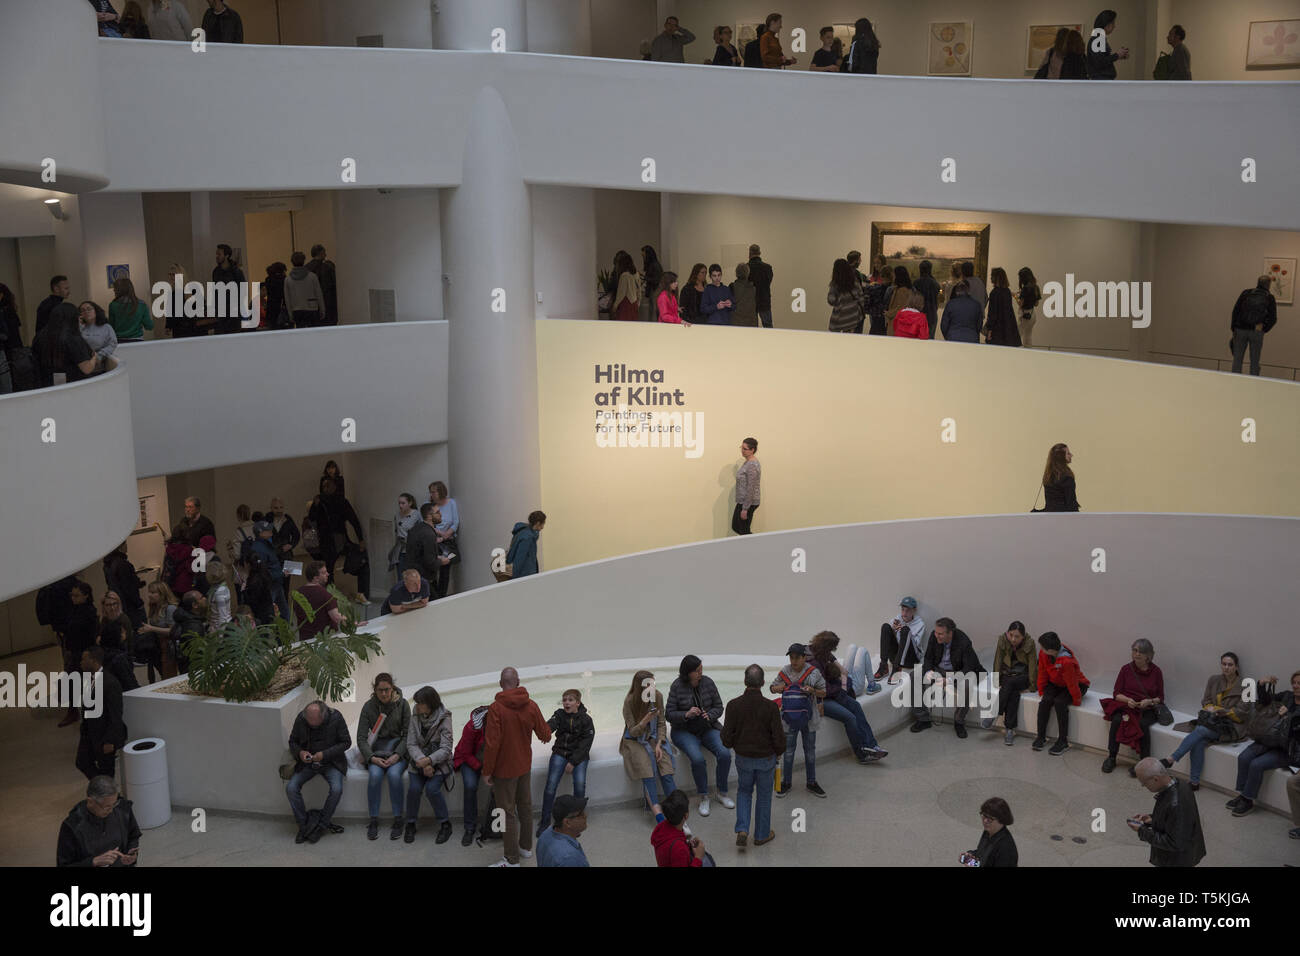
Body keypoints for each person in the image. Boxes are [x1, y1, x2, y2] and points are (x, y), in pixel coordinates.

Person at [483, 667, 552, 867]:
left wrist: (487, 770)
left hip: (504, 771)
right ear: (518, 681)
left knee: (506, 813)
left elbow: (492, 744)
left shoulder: (496, 708)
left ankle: (511, 860)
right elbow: (545, 735)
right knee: (525, 806)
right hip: (524, 765)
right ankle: (526, 848)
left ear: (500, 684)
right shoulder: (531, 705)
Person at [1161, 653, 1249, 790]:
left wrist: (1224, 711)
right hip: (1213, 721)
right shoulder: (1214, 680)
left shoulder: (1246, 685)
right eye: (1224, 664)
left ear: (1236, 667)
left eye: (1230, 665)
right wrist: (1211, 708)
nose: (1226, 667)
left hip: (1231, 726)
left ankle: (1172, 758)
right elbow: (1205, 701)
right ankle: (1194, 782)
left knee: (1200, 730)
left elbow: (1243, 712)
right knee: (1199, 741)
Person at [719, 663, 784, 848]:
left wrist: (735, 745)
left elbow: (726, 737)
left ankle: (742, 829)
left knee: (744, 791)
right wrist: (778, 753)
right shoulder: (771, 707)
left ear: (745, 681)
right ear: (763, 682)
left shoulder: (733, 705)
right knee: (764, 795)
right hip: (766, 759)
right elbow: (778, 737)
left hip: (743, 758)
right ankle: (761, 834)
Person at [666, 656, 733, 817]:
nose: (700, 673)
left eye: (701, 669)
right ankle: (703, 796)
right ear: (687, 673)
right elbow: (668, 714)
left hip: (708, 728)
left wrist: (709, 715)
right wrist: (687, 714)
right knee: (697, 759)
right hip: (684, 731)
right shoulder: (677, 686)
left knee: (725, 753)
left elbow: (719, 706)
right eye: (697, 671)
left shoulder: (708, 682)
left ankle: (722, 793)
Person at [1226, 671, 1299, 817]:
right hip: (1269, 739)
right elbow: (1266, 701)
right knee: (1244, 757)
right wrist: (1261, 684)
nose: (1296, 686)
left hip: (1287, 748)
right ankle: (1242, 793)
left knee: (1257, 764)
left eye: (1299, 683)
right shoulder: (1288, 696)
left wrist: (1288, 716)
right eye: (1294, 683)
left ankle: (1248, 800)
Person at [809, 630, 887, 762]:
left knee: (855, 706)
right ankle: (861, 753)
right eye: (832, 648)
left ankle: (872, 745)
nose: (833, 651)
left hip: (833, 692)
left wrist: (840, 672)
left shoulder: (817, 651)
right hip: (820, 699)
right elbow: (825, 690)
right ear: (826, 647)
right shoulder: (814, 664)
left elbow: (830, 658)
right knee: (849, 717)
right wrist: (842, 687)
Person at [286, 700, 351, 844]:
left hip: (332, 762)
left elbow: (346, 742)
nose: (313, 725)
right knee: (291, 788)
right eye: (309, 722)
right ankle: (304, 827)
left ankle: (321, 826)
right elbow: (292, 742)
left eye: (316, 722)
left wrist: (325, 754)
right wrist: (300, 752)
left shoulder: (336, 717)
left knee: (336, 789)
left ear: (324, 715)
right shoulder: (301, 718)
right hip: (308, 763)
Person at [1101, 639, 1165, 776]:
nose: (1136, 654)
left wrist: (1149, 701)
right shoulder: (1126, 669)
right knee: (1118, 720)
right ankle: (1111, 757)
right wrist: (1128, 700)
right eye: (1134, 650)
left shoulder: (1156, 672)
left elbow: (1161, 697)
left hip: (1148, 708)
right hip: (1128, 706)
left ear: (1148, 655)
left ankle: (1144, 763)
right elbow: (1116, 693)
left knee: (1142, 724)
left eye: (1141, 652)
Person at [771, 643, 827, 798]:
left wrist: (813, 691)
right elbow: (771, 688)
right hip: (789, 719)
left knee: (810, 752)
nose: (793, 661)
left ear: (804, 658)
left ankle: (811, 782)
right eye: (791, 658)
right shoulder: (784, 671)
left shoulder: (814, 673)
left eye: (797, 658)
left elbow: (824, 692)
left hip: (809, 719)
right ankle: (786, 782)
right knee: (788, 752)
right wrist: (778, 688)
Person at [913, 617, 985, 737]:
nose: (936, 636)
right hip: (939, 669)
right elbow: (928, 657)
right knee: (914, 676)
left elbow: (969, 667)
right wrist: (928, 672)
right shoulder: (934, 636)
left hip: (957, 671)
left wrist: (950, 680)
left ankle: (959, 721)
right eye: (936, 632)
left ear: (950, 633)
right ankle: (923, 718)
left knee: (967, 684)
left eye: (940, 634)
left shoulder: (963, 641)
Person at [620, 670, 676, 821]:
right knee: (647, 772)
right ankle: (658, 815)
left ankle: (676, 811)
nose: (652, 687)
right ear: (640, 687)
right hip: (635, 741)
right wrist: (645, 720)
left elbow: (661, 723)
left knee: (666, 770)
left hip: (654, 738)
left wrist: (659, 743)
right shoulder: (629, 701)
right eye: (648, 685)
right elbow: (632, 731)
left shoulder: (657, 696)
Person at [538, 689, 595, 837]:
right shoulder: (559, 714)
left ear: (577, 702)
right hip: (560, 752)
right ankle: (544, 822)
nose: (566, 703)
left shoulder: (586, 720)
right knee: (550, 785)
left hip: (579, 755)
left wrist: (573, 762)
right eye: (564, 700)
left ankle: (577, 820)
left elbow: (585, 745)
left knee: (579, 784)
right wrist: (545, 732)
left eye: (570, 700)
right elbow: (550, 725)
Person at [1130, 758, 1206, 867]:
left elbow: (1173, 842)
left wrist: (1141, 830)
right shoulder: (1181, 784)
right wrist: (1153, 819)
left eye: (1144, 783)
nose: (1144, 787)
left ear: (1155, 779)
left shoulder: (1175, 803)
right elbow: (1177, 821)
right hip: (1186, 853)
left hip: (1175, 861)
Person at [404, 685, 454, 846]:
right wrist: (423, 762)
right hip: (418, 762)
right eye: (417, 703)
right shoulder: (415, 716)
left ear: (430, 704)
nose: (417, 706)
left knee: (432, 789)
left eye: (420, 703)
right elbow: (411, 743)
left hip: (439, 764)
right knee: (414, 789)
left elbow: (446, 748)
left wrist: (430, 761)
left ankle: (445, 824)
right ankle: (410, 824)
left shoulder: (444, 717)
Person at [57, 776, 141, 867]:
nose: (111, 810)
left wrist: (131, 853)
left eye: (114, 804)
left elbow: (133, 836)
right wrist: (93, 862)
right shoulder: (72, 826)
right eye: (107, 807)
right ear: (90, 802)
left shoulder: (121, 808)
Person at [309, 479, 368, 601]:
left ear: (335, 487)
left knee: (360, 560)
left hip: (340, 538)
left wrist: (361, 539)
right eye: (324, 486)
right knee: (328, 568)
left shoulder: (341, 501)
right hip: (326, 540)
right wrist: (315, 505)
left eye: (329, 485)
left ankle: (361, 592)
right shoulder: (319, 502)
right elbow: (311, 518)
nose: (326, 488)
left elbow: (353, 520)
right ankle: (331, 597)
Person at [1033, 631, 1090, 755]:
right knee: (1045, 702)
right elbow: (1042, 672)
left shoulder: (1066, 661)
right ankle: (1041, 737)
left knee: (1060, 703)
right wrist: (1042, 689)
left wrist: (1076, 699)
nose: (1041, 649)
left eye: (1043, 647)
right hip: (1058, 683)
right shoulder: (1044, 653)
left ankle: (1063, 741)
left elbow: (1072, 683)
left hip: (1077, 684)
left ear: (1052, 650)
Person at [981, 622, 1037, 745]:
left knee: (1010, 684)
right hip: (1007, 675)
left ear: (1023, 636)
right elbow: (998, 660)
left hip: (1023, 676)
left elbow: (1033, 666)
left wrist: (1032, 686)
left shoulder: (1030, 643)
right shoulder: (1003, 640)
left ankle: (993, 714)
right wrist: (996, 681)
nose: (1013, 639)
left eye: (1017, 636)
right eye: (1011, 635)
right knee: (1013, 693)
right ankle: (1009, 730)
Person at [76, 647, 126, 780]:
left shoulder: (110, 683)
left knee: (106, 770)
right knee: (82, 762)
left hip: (104, 736)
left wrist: (110, 740)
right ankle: (102, 788)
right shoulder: (87, 679)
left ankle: (106, 793)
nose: (80, 662)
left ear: (93, 661)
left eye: (83, 659)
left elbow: (115, 714)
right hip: (89, 733)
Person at [34, 304, 115, 386]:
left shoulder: (40, 335)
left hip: (46, 383)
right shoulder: (72, 338)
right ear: (73, 318)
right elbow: (87, 368)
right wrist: (94, 357)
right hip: (73, 383)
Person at [452, 704, 490, 846]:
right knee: (470, 786)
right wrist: (481, 768)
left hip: (489, 761)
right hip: (468, 759)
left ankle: (496, 826)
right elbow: (466, 753)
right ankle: (469, 827)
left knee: (502, 786)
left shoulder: (500, 724)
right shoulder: (471, 727)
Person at [1230, 276, 1278, 376]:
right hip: (1256, 331)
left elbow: (1236, 310)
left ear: (1258, 282)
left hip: (1240, 329)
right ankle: (1254, 384)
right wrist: (1264, 329)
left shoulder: (1246, 293)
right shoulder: (1269, 297)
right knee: (1255, 361)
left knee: (1237, 360)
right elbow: (1273, 318)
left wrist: (1233, 328)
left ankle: (1234, 382)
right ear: (1268, 284)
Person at [652, 789, 708, 866]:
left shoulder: (661, 827)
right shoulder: (679, 849)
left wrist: (688, 845)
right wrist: (698, 857)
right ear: (686, 815)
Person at [877, 596, 926, 684]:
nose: (904, 613)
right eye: (903, 610)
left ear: (914, 610)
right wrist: (894, 631)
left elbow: (916, 644)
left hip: (911, 659)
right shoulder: (897, 619)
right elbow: (891, 641)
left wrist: (904, 630)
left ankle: (897, 669)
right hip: (896, 657)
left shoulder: (919, 624)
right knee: (886, 627)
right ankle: (883, 665)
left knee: (906, 630)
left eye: (907, 610)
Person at [250, 519, 291, 619]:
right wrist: (281, 574)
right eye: (268, 530)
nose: (271, 531)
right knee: (269, 614)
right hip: (269, 587)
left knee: (284, 612)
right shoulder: (259, 549)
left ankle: (284, 631)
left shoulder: (266, 544)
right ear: (261, 533)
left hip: (276, 584)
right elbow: (262, 572)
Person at [135, 581, 176, 684]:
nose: (150, 595)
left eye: (153, 593)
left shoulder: (170, 608)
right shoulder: (154, 607)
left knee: (168, 677)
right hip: (157, 646)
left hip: (168, 647)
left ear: (162, 594)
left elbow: (172, 631)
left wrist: (151, 629)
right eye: (149, 592)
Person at [404, 502, 450, 590]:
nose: (440, 515)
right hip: (423, 579)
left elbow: (420, 553)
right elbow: (430, 562)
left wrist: (437, 557)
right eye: (437, 512)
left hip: (414, 576)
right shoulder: (429, 534)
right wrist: (442, 561)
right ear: (429, 516)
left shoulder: (416, 528)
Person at [536, 794, 590, 867]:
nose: (585, 816)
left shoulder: (545, 835)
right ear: (567, 822)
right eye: (580, 814)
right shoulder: (571, 859)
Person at [294, 560, 343, 639]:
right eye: (324, 573)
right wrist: (352, 621)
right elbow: (336, 618)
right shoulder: (326, 595)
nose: (328, 574)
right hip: (323, 639)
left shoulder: (297, 593)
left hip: (305, 638)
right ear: (316, 578)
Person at [965, 797, 1018, 867]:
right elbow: (982, 855)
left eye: (990, 819)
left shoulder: (1006, 849)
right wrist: (971, 855)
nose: (985, 821)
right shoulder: (989, 831)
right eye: (984, 816)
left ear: (1001, 820)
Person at [102, 543, 145, 629]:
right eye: (125, 543)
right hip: (130, 605)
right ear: (120, 546)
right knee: (140, 630)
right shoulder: (122, 563)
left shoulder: (107, 565)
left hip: (118, 603)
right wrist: (139, 603)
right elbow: (128, 587)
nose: (127, 546)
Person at [429, 481, 460, 598]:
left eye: (434, 492)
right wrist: (439, 535)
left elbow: (455, 522)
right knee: (432, 568)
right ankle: (434, 595)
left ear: (440, 491)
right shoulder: (429, 505)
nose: (431, 494)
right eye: (430, 492)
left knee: (445, 568)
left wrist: (445, 536)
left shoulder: (451, 503)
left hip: (448, 541)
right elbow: (427, 524)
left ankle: (441, 596)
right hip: (434, 541)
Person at [283, 251, 325, 328]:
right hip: (312, 308)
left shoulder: (287, 280)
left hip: (296, 310)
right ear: (304, 260)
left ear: (292, 262)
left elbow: (287, 299)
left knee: (301, 333)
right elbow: (319, 294)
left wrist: (290, 314)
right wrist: (322, 309)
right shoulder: (312, 276)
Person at [983, 268, 1021, 346]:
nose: (990, 278)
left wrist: (989, 330)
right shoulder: (1007, 291)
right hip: (1008, 328)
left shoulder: (994, 293)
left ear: (996, 277)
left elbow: (992, 313)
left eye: (992, 276)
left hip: (997, 330)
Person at [1086, 9, 1129, 80]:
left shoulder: (1098, 37)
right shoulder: (1098, 38)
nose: (1114, 26)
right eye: (1113, 23)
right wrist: (1117, 55)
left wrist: (1118, 56)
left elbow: (1100, 59)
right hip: (1101, 79)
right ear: (1106, 24)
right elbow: (1100, 62)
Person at [388, 493, 420, 584]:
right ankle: (402, 597)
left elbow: (420, 532)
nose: (400, 505)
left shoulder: (416, 515)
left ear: (410, 503)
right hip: (401, 550)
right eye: (399, 503)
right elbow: (396, 531)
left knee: (413, 577)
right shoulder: (397, 515)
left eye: (403, 503)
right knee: (401, 577)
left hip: (412, 550)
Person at [1039, 443, 1081, 512]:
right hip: (1064, 518)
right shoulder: (1067, 477)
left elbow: (1050, 504)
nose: (1071, 455)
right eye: (1068, 453)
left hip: (1050, 517)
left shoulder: (1048, 476)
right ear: (1061, 456)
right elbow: (1071, 504)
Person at [827, 258, 865, 333]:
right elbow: (861, 297)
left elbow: (831, 300)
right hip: (853, 317)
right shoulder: (854, 282)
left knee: (836, 341)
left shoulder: (835, 285)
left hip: (839, 318)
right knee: (850, 341)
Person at [505, 510, 546, 577]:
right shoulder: (527, 538)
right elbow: (519, 559)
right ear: (538, 523)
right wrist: (514, 579)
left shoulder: (524, 531)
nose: (543, 527)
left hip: (526, 574)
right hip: (525, 575)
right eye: (543, 523)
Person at [306, 244, 338, 325]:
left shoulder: (306, 268)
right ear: (320, 253)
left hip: (311, 304)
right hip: (328, 302)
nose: (326, 254)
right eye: (324, 252)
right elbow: (332, 285)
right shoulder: (327, 267)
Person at [747, 245, 774, 329]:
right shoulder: (768, 268)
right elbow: (768, 282)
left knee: (751, 328)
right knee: (768, 326)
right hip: (764, 300)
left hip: (750, 302)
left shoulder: (746, 267)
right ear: (759, 253)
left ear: (749, 253)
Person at [268, 497, 300, 565]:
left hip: (287, 555)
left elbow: (296, 534)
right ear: (271, 508)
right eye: (276, 508)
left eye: (281, 507)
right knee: (274, 575)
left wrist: (291, 545)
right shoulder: (267, 520)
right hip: (272, 555)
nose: (279, 510)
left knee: (288, 574)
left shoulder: (288, 519)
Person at [611, 251, 641, 322]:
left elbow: (621, 294)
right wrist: (638, 303)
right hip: (634, 303)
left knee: (623, 327)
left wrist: (614, 306)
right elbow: (639, 290)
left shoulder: (624, 275)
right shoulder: (636, 274)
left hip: (625, 304)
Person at [913, 260, 940, 338]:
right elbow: (938, 301)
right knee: (930, 341)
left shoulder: (916, 283)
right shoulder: (935, 284)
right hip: (931, 315)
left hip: (918, 316)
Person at [1015, 267, 1040, 347]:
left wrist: (1015, 296)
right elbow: (1036, 304)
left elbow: (1020, 304)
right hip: (1032, 315)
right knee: (1028, 336)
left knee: (1017, 336)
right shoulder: (1036, 287)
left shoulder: (1025, 289)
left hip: (1024, 315)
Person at [883, 266, 913, 335]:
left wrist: (889, 313)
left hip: (897, 325)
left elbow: (901, 308)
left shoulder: (903, 290)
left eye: (894, 275)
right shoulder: (898, 289)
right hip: (895, 324)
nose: (892, 276)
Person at [640, 245, 663, 322]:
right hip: (652, 292)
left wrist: (645, 278)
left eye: (644, 256)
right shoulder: (652, 265)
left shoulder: (655, 265)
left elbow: (657, 279)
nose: (643, 258)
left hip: (655, 292)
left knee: (653, 313)